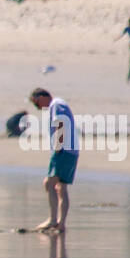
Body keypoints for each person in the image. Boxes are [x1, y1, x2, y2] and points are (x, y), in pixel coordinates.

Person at [28, 88, 78, 233]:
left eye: (36, 103)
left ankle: (52, 220)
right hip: (70, 151)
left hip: (63, 151)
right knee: (61, 187)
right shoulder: (57, 104)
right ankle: (60, 224)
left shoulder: (56, 104)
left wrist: (57, 146)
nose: (37, 107)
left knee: (49, 183)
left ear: (42, 97)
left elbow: (61, 123)